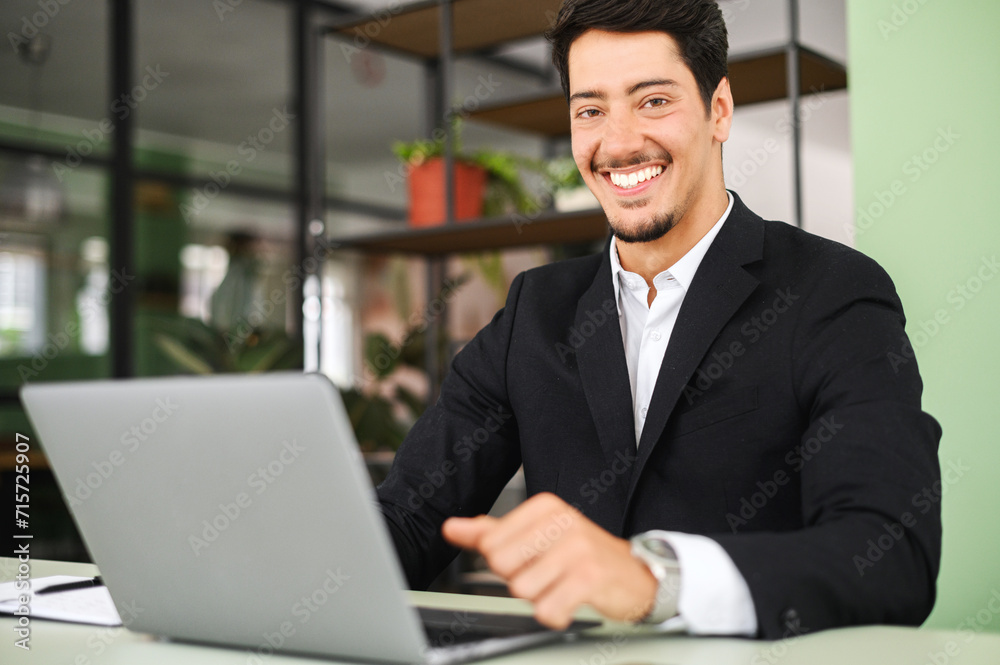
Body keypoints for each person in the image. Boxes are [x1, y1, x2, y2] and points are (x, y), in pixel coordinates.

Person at [376, 0, 941, 640]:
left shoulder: (830, 292)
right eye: (590, 110)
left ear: (718, 110)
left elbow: (892, 553)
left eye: (653, 101)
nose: (617, 143)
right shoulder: (535, 311)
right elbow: (409, 519)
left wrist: (656, 580)